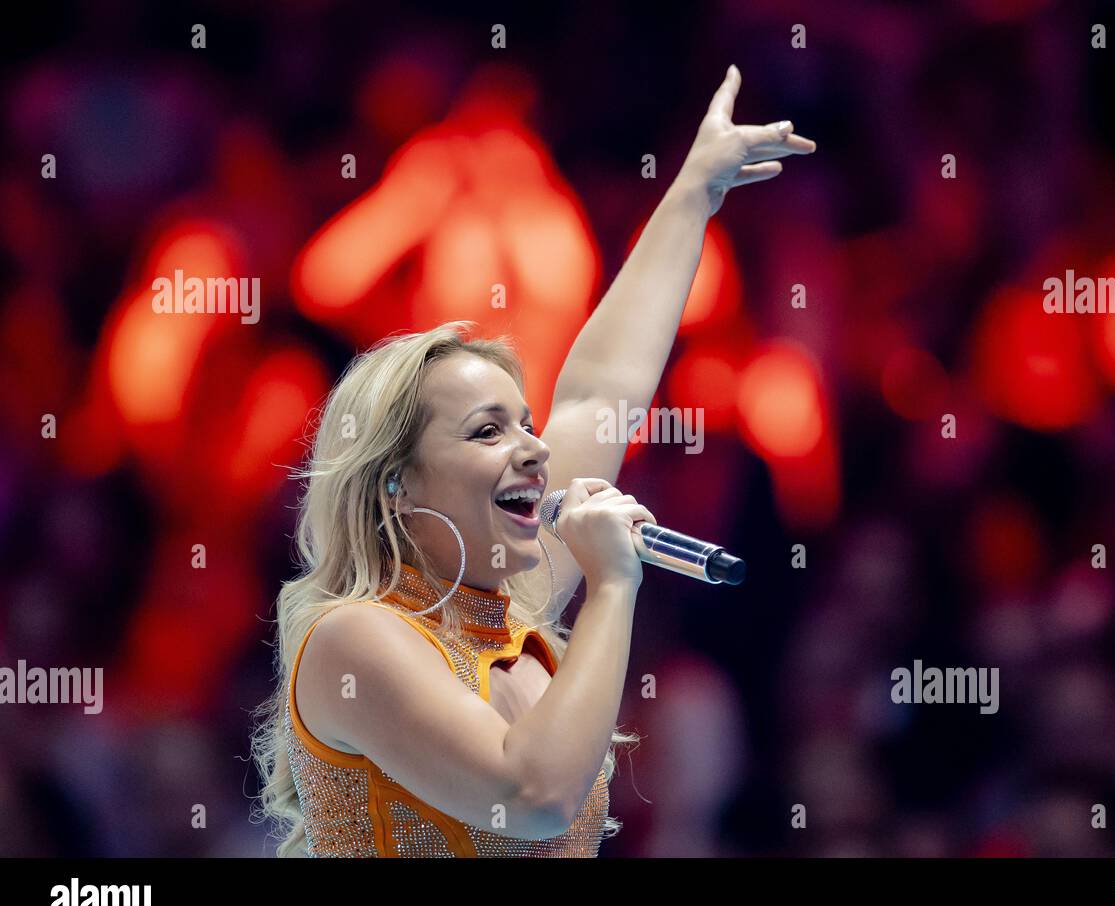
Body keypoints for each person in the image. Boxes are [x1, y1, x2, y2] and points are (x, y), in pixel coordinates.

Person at [250, 65, 816, 856]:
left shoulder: (513, 608)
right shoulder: (354, 638)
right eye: (488, 432)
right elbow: (533, 795)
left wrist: (694, 194)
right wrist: (615, 585)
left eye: (525, 424)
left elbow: (596, 394)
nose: (536, 449)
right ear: (395, 481)